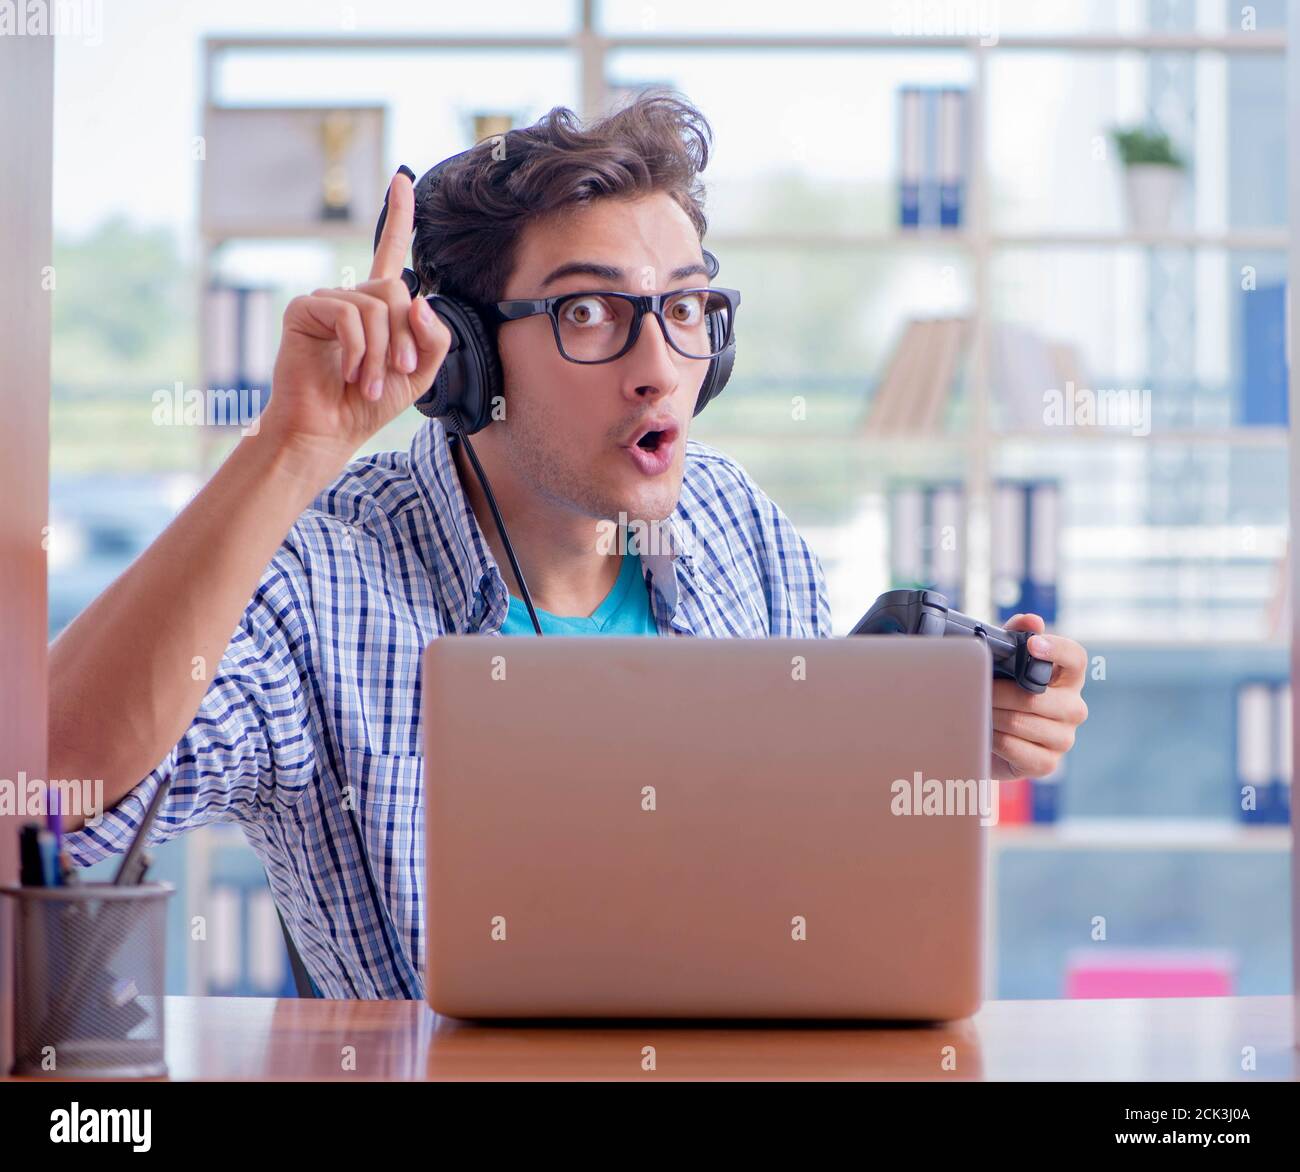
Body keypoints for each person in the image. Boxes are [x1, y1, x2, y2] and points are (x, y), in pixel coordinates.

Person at [50, 94, 1088, 999]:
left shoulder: (740, 527)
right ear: (460, 357)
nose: (657, 368)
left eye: (683, 307)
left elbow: (787, 877)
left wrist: (928, 752)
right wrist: (288, 449)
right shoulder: (319, 576)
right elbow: (55, 792)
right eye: (589, 311)